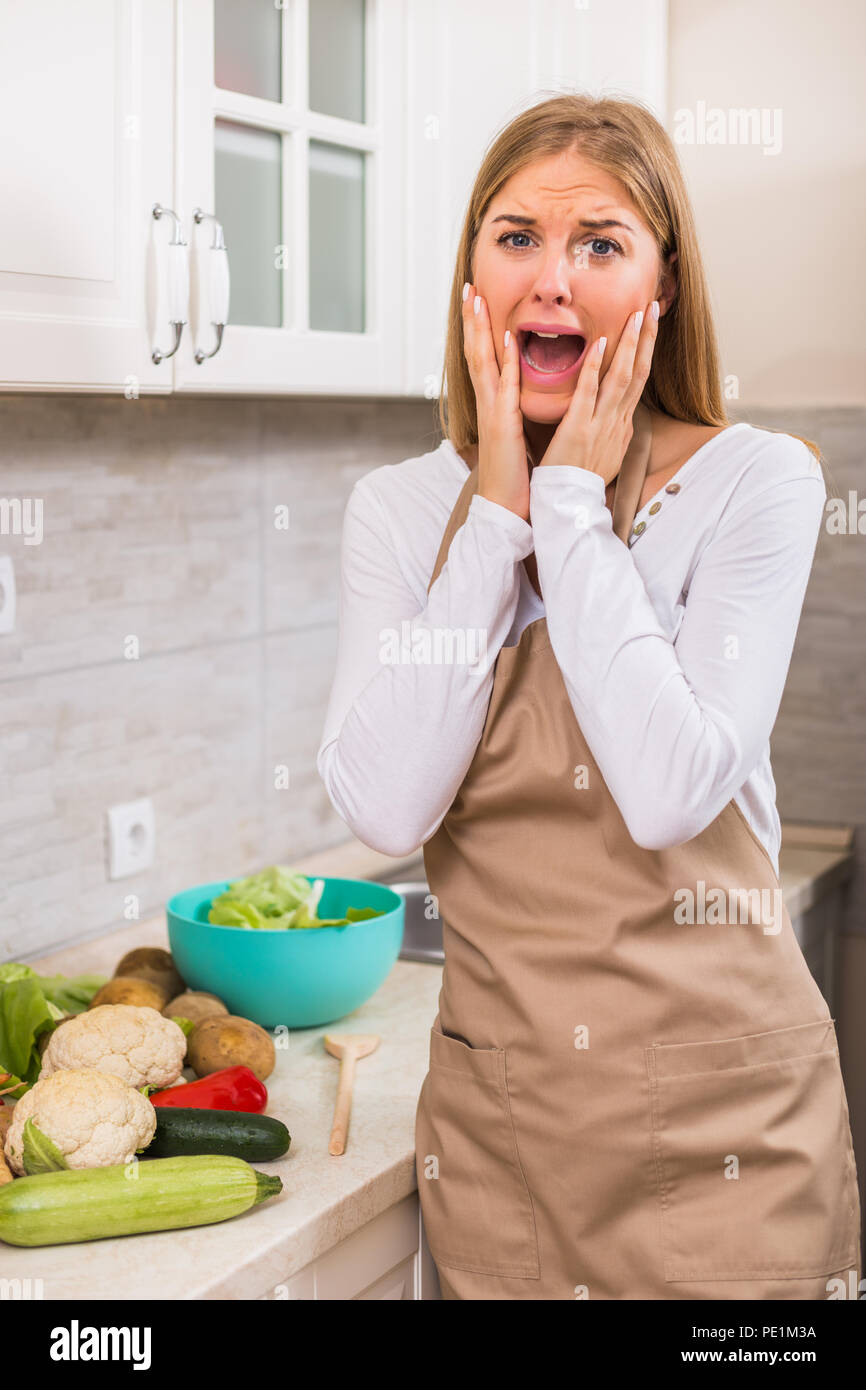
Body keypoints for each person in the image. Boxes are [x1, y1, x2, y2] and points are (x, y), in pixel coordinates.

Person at [317, 93, 860, 1300]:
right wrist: (494, 515)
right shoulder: (401, 512)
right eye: (514, 238)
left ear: (662, 287)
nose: (549, 282)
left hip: (732, 1148)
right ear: (471, 272)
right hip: (505, 1138)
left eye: (599, 244)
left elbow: (669, 788)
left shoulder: (753, 482)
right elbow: (386, 807)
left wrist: (566, 508)